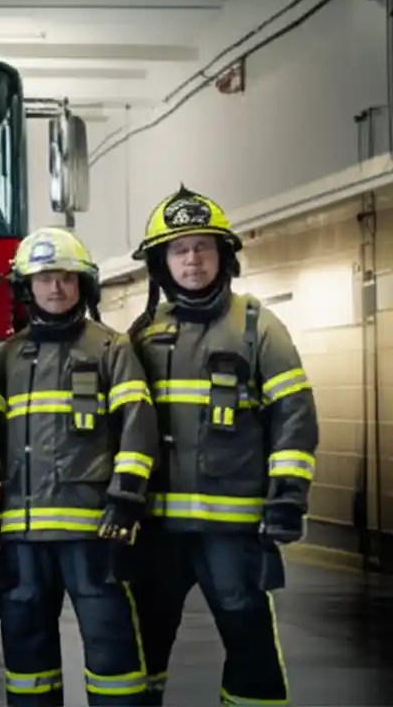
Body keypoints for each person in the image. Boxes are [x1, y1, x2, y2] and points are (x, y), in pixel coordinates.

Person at [128, 187, 318, 706]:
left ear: (224, 256)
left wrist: (288, 498)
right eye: (179, 249)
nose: (192, 260)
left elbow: (294, 415)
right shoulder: (143, 333)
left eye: (202, 248)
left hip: (232, 532)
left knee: (250, 645)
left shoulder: (258, 324)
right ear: (162, 263)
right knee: (141, 650)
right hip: (156, 531)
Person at [0, 226, 158, 706]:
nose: (56, 288)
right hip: (23, 537)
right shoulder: (8, 357)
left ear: (84, 285)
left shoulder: (110, 349)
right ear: (27, 288)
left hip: (93, 533)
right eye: (44, 279)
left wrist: (125, 497)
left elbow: (137, 426)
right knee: (26, 653)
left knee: (111, 647)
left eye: (66, 278)